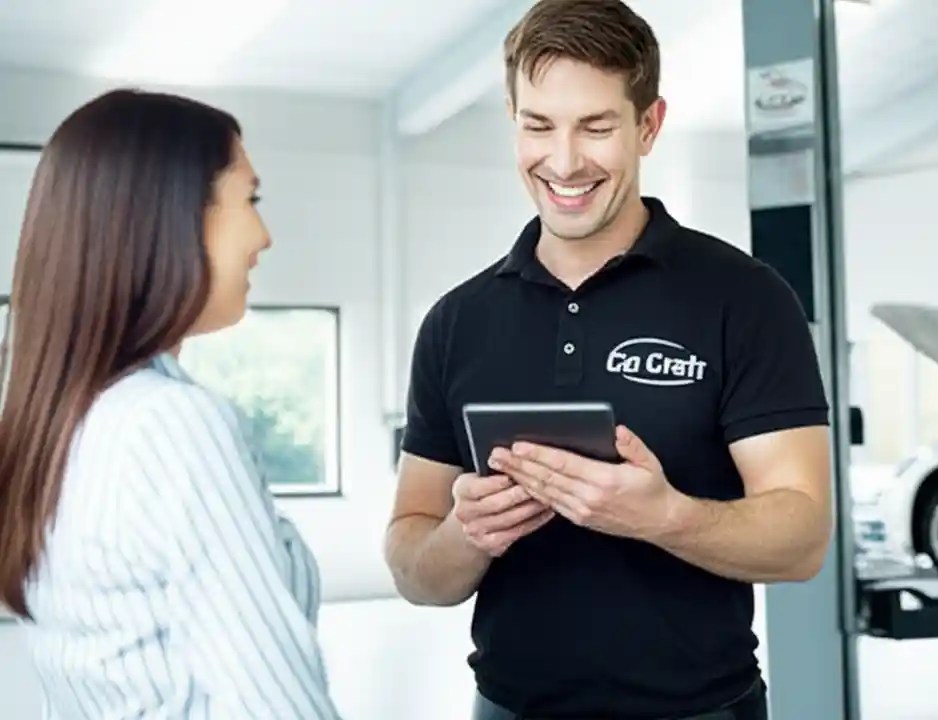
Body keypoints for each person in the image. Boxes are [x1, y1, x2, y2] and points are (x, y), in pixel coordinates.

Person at [384, 1, 833, 718]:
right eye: (538, 126)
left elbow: (803, 538)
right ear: (512, 118)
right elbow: (413, 567)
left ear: (648, 125)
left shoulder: (744, 299)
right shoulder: (456, 323)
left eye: (596, 127)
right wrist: (465, 535)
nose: (563, 162)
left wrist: (665, 518)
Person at [0, 89, 342, 719]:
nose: (263, 236)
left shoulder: (64, 422)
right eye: (250, 199)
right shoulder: (172, 426)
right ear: (169, 217)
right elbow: (274, 704)